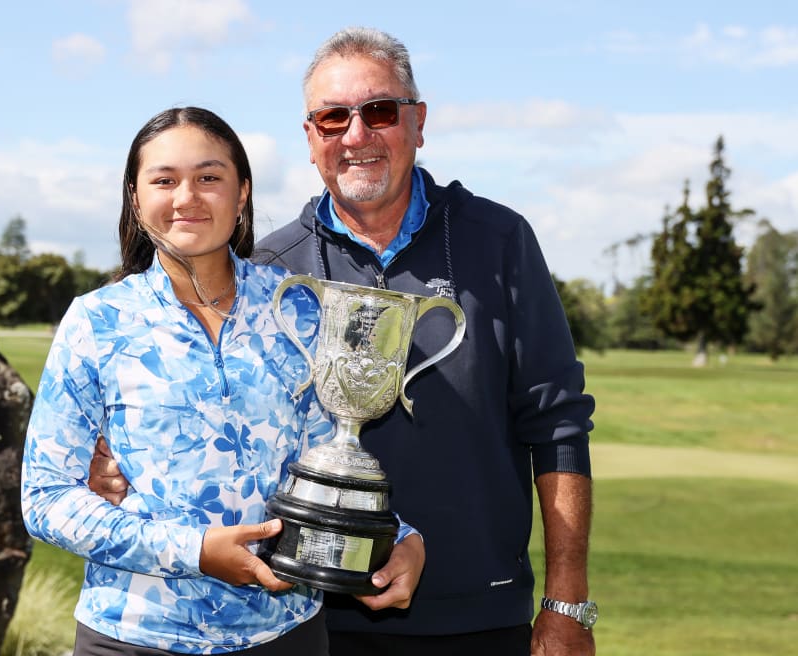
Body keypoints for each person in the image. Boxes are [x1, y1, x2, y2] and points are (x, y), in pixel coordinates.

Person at [89, 28, 597, 656]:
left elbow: (559, 426)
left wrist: (567, 600)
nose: (356, 136)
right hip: (308, 617)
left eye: (379, 111)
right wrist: (113, 458)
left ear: (418, 123)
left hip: (478, 614)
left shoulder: (499, 240)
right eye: (333, 118)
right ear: (311, 139)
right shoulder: (268, 268)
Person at [21, 106, 424, 656]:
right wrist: (194, 550)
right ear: (136, 199)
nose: (187, 197)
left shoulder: (300, 309)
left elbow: (328, 464)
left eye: (209, 177)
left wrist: (397, 540)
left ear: (242, 195)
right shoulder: (96, 321)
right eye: (164, 180)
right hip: (135, 634)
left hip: (285, 633)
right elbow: (46, 498)